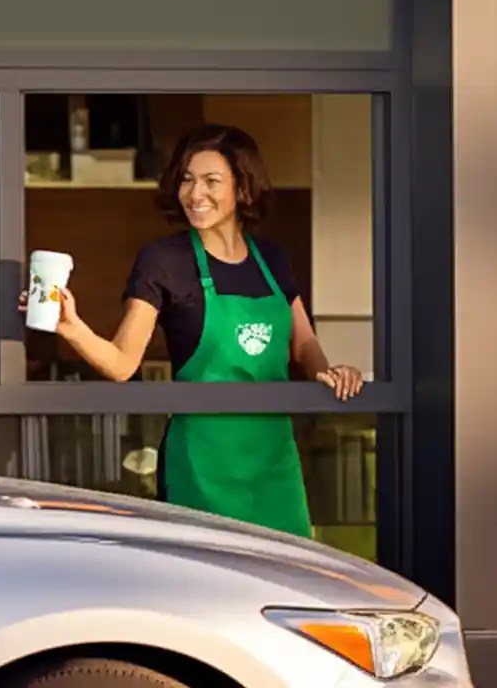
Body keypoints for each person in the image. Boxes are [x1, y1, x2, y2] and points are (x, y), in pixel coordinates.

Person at [20, 124, 363, 538]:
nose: (194, 193)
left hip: (274, 463)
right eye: (187, 179)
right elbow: (122, 363)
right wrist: (71, 329)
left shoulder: (271, 260)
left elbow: (302, 341)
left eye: (211, 181)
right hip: (201, 465)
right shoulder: (165, 261)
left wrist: (328, 372)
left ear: (243, 188)